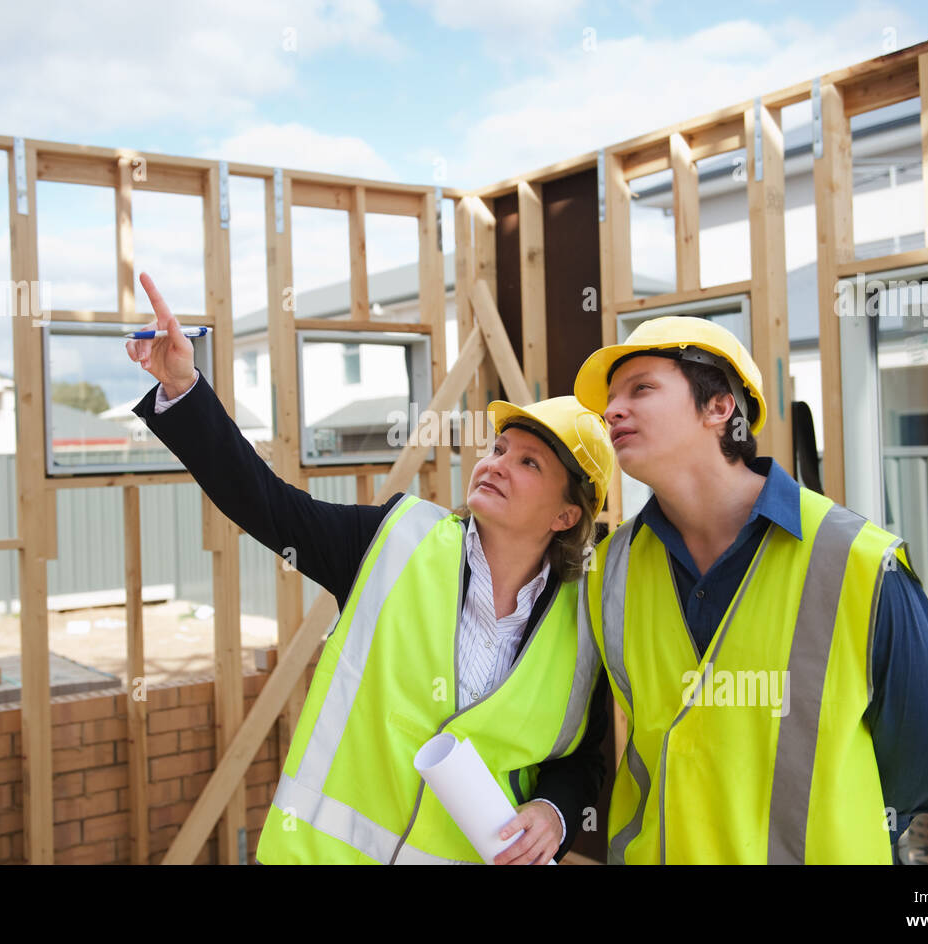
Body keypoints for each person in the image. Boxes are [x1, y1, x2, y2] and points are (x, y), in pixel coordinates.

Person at [128, 272, 615, 864]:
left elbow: (581, 758)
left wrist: (554, 812)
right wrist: (184, 386)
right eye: (498, 449)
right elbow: (265, 503)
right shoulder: (392, 541)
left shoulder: (585, 622)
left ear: (566, 515)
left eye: (530, 463)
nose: (498, 464)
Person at [572, 315, 928, 864]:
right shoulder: (610, 570)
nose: (612, 411)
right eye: (611, 399)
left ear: (718, 407)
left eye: (641, 388)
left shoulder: (857, 560)